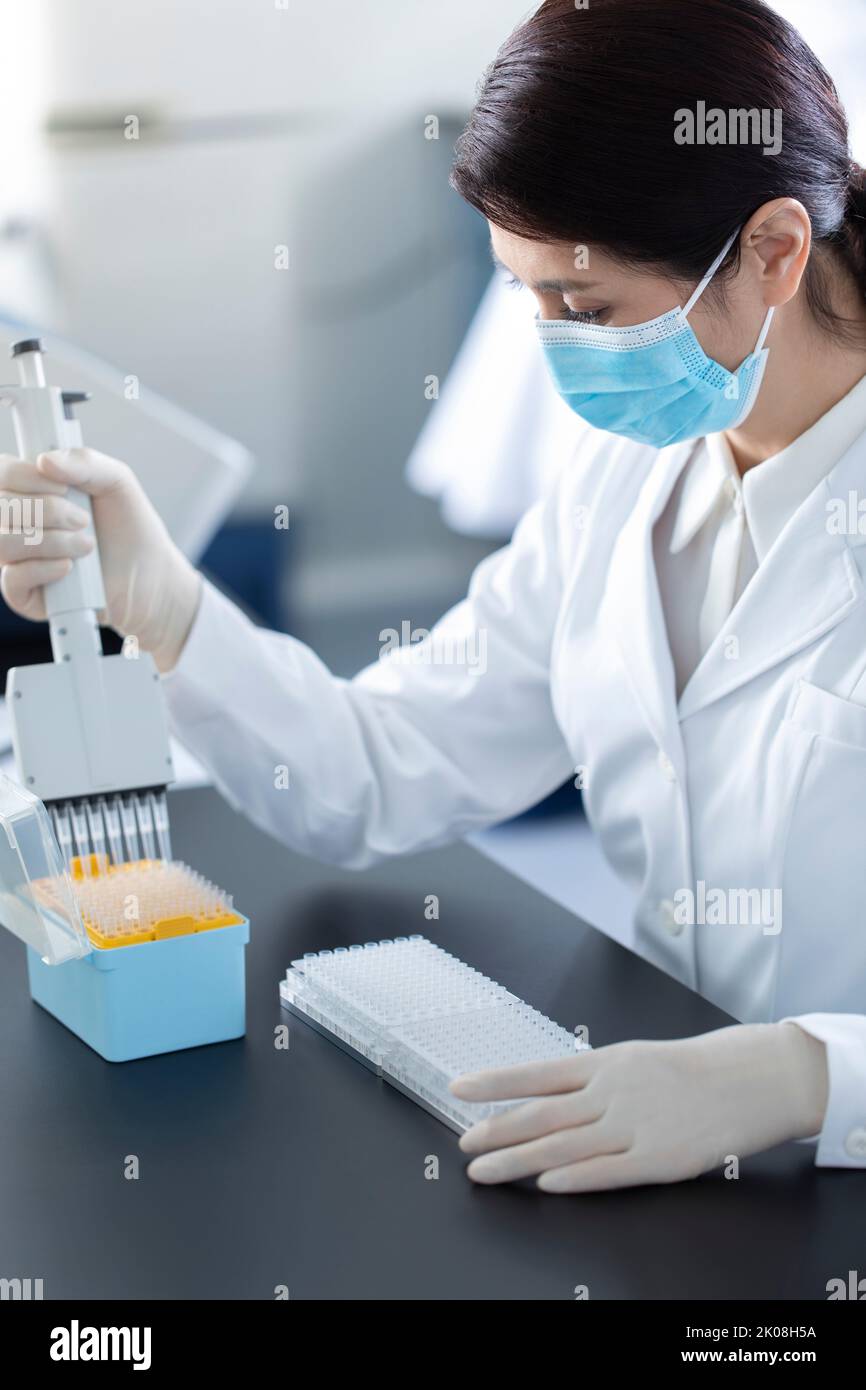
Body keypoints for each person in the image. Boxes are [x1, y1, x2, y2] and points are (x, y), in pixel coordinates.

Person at [2, 0, 866, 1194]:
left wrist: (808, 1076)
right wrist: (167, 608)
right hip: (667, 1148)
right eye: (525, 299)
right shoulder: (625, 473)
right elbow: (388, 763)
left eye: (587, 308)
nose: (557, 353)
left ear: (772, 248)